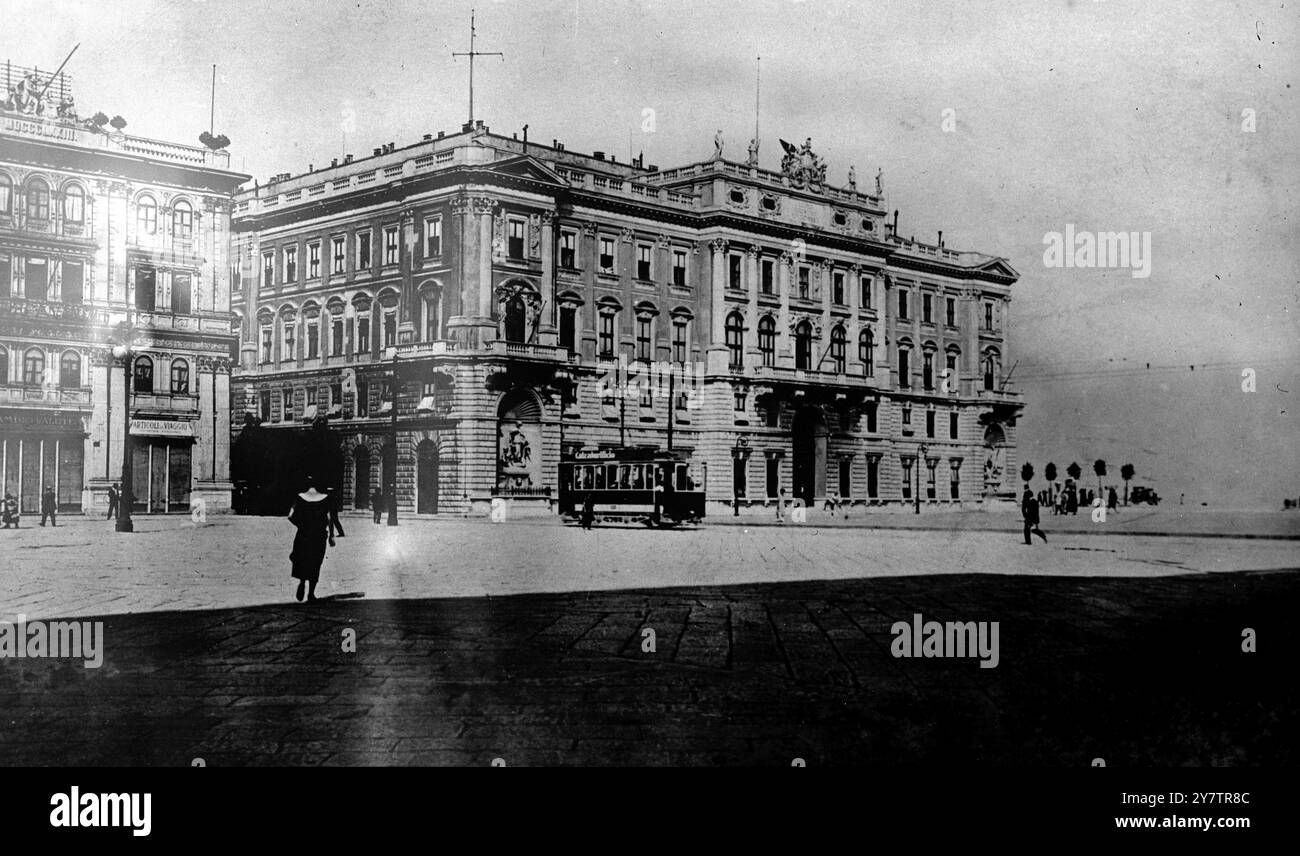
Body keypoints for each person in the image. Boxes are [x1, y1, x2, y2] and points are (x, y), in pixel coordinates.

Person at [289, 477, 331, 602]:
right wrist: (332, 536)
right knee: (316, 562)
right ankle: (311, 594)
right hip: (319, 535)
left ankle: (302, 582)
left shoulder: (300, 496)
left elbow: (290, 515)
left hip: (303, 534)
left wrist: (300, 525)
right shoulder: (325, 498)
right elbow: (329, 519)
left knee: (303, 559)